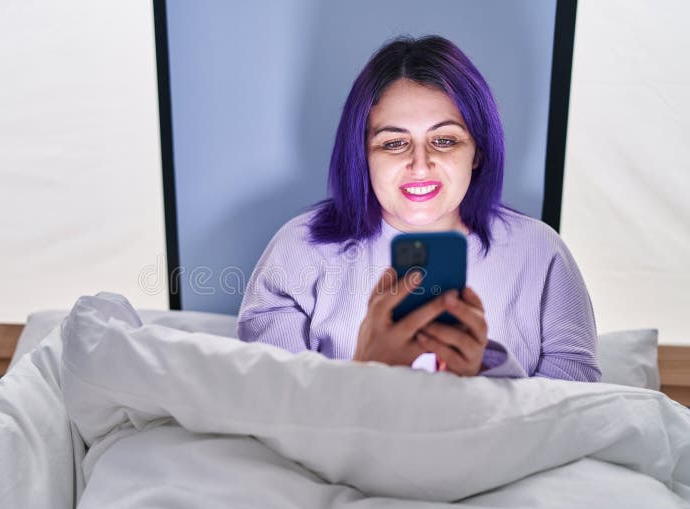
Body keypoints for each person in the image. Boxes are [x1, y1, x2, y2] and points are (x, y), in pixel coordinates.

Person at [237, 35, 600, 381]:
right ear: (363, 154)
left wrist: (484, 374)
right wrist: (365, 372)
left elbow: (572, 409)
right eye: (394, 143)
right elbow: (273, 403)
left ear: (478, 152)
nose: (421, 164)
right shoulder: (298, 251)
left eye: (444, 140)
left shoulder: (540, 253)